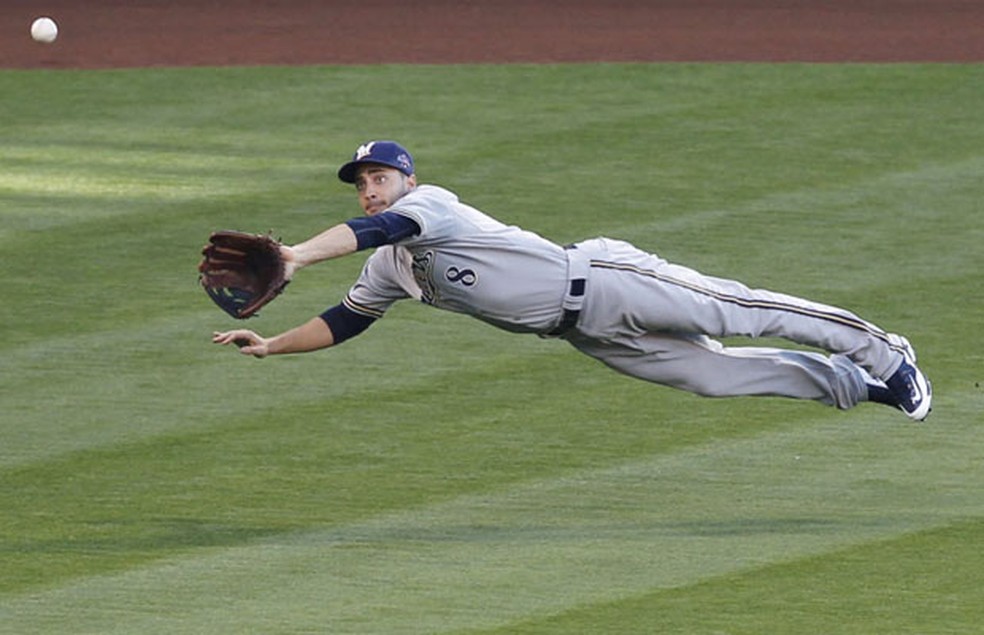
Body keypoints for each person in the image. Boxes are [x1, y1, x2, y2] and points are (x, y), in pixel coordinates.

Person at [213, 140, 932, 421]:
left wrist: (298, 255)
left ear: (407, 179)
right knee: (715, 378)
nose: (370, 189)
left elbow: (377, 229)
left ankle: (885, 353)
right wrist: (271, 345)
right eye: (362, 181)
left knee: (741, 312)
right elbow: (346, 319)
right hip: (583, 332)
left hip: (610, 279)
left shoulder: (430, 208)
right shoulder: (387, 268)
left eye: (379, 176)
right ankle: (858, 386)